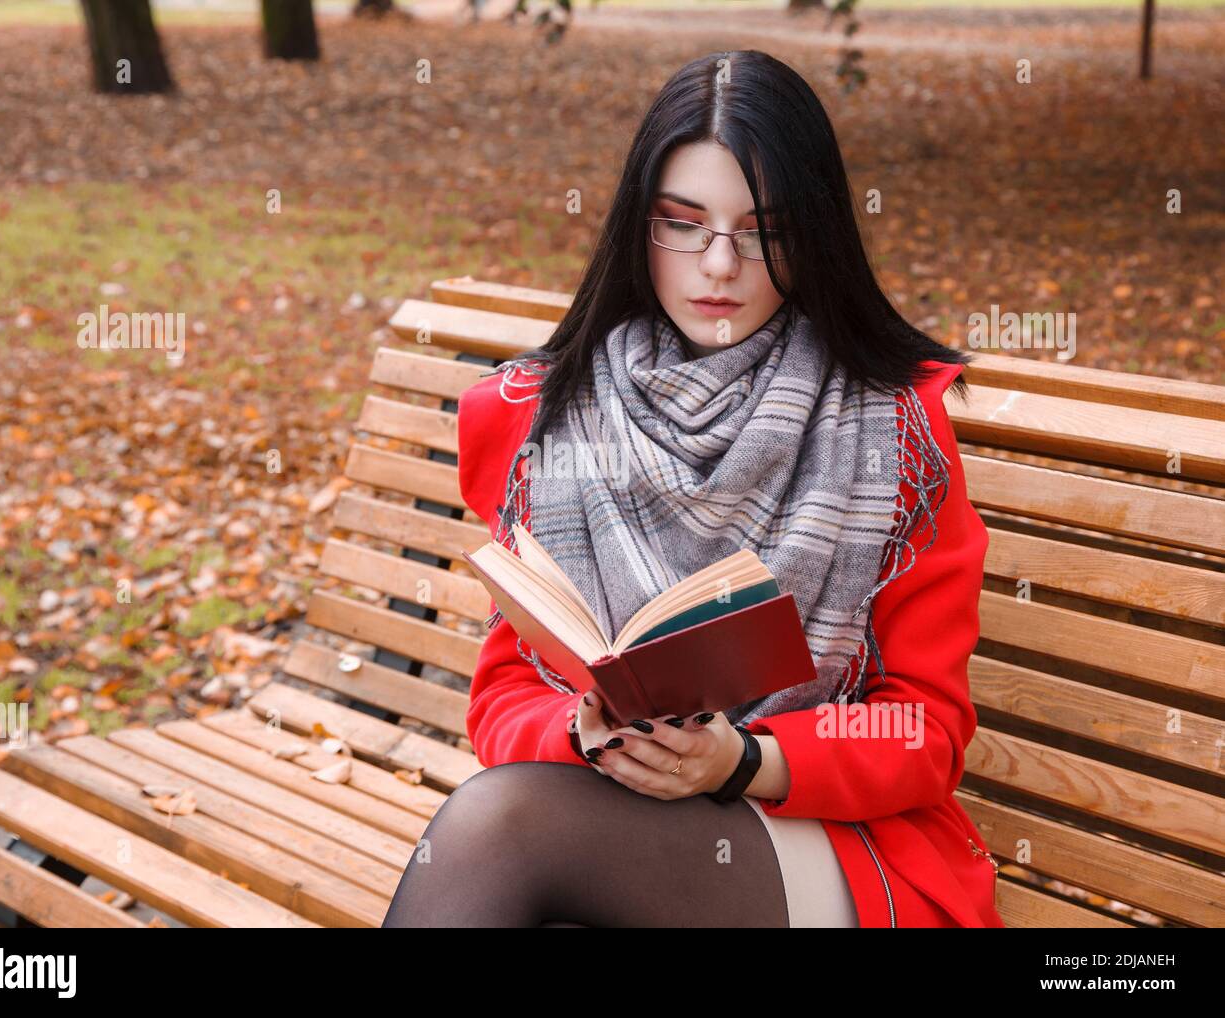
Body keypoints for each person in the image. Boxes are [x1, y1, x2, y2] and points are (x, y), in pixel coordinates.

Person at [381, 49, 1004, 928]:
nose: (720, 266)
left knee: (499, 832)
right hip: (613, 828)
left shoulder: (893, 427)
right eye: (686, 223)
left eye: (763, 230)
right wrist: (583, 733)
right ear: (641, 228)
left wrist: (740, 761)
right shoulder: (555, 417)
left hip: (836, 847)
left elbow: (924, 731)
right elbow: (505, 702)